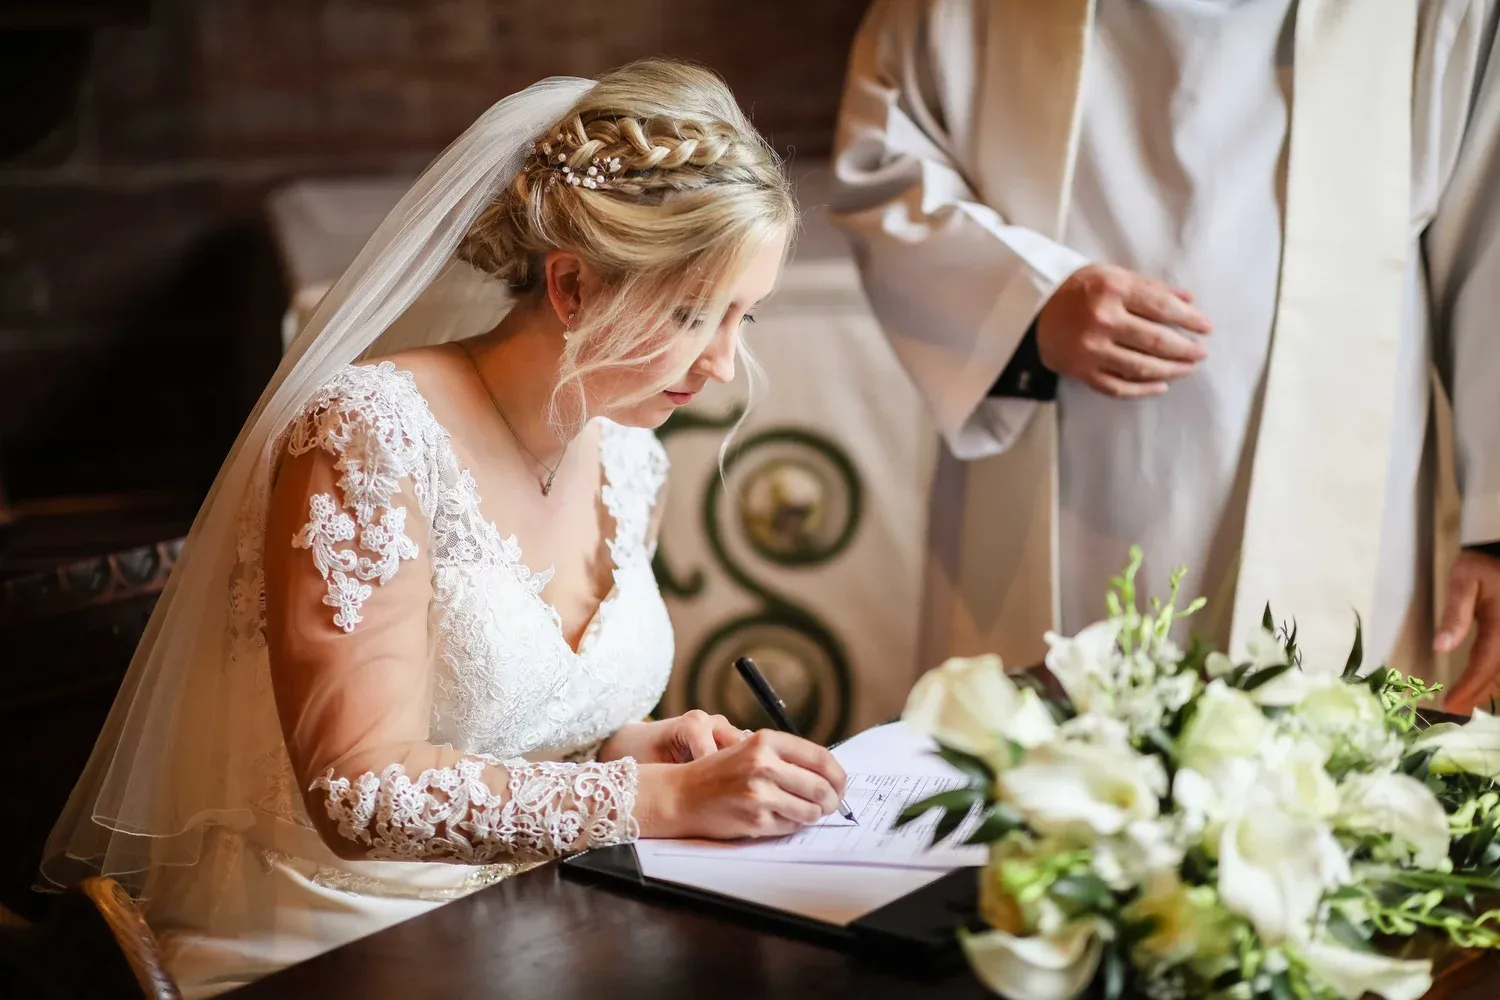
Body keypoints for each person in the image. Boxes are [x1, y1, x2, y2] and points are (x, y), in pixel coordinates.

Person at [40, 60, 847, 998]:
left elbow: (507, 730)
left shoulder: (630, 451)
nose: (723, 363)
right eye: (692, 313)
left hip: (553, 910)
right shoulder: (367, 436)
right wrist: (653, 801)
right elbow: (360, 793)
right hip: (347, 937)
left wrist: (630, 750)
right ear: (572, 285)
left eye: (743, 315)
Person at [829, 0, 1500, 710]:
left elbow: (1491, 225)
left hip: (1345, 481)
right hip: (1060, 484)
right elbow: (885, 159)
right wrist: (1027, 305)